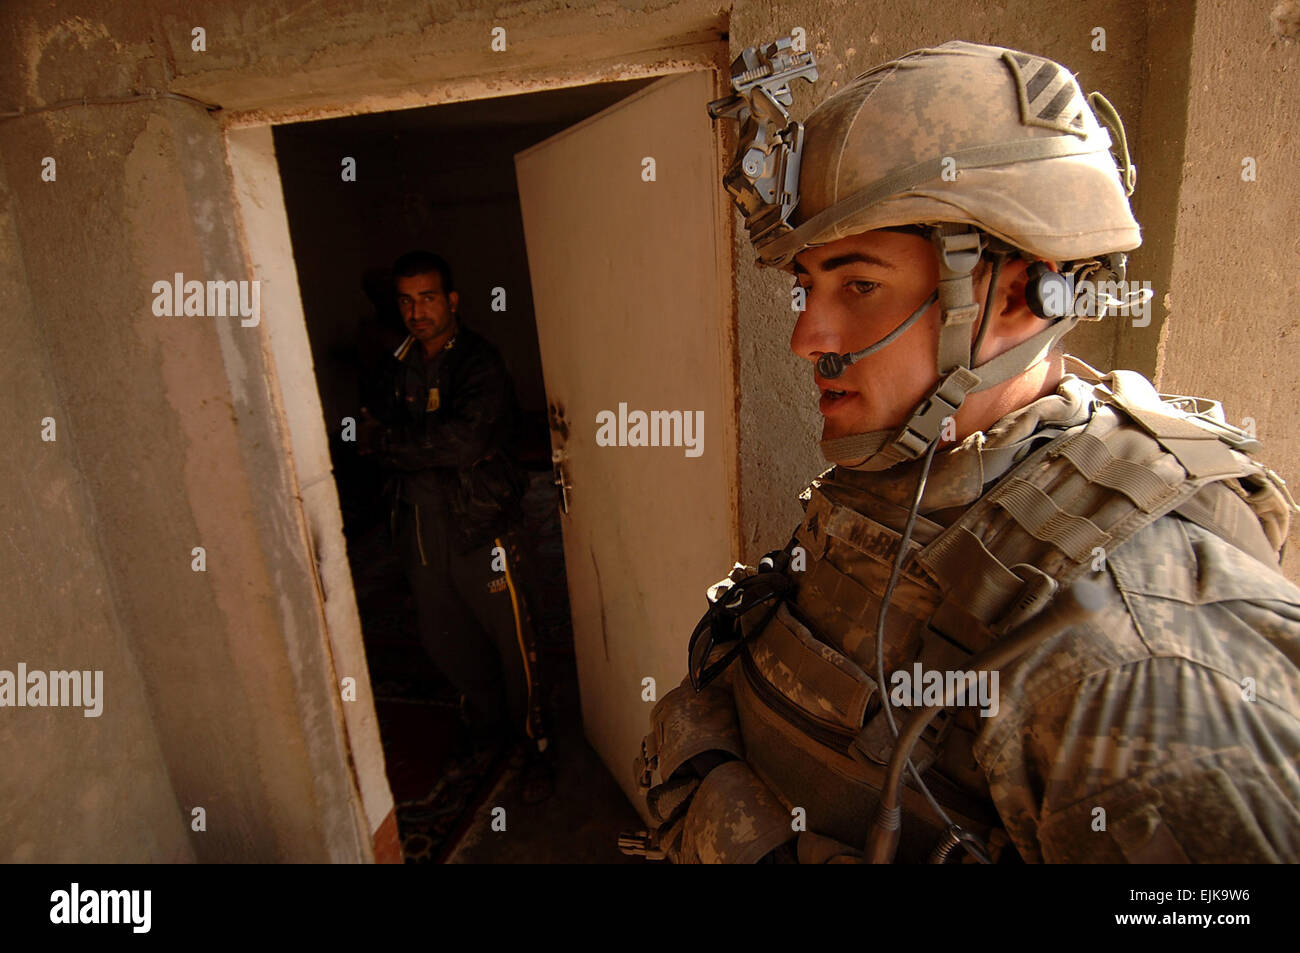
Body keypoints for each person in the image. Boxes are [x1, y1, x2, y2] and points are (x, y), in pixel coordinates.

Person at [630, 40, 1300, 863]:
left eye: (860, 286)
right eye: (807, 288)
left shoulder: (1142, 659)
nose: (808, 337)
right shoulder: (920, 469)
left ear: (1020, 293)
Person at [361, 250, 552, 799]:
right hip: (419, 526)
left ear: (450, 301)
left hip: (480, 521)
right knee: (447, 639)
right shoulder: (395, 364)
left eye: (427, 298)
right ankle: (485, 732)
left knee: (514, 640)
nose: (417, 311)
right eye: (406, 300)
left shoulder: (478, 362)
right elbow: (370, 431)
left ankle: (536, 746)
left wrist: (392, 445)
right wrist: (398, 446)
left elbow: (461, 442)